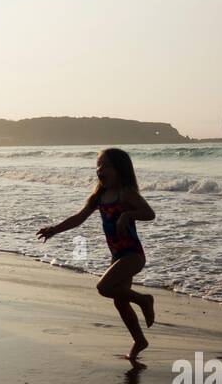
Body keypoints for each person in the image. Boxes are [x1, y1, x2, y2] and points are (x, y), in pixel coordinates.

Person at [37, 148, 157, 358]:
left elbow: (149, 214)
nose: (100, 169)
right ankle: (140, 341)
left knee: (104, 287)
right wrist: (54, 229)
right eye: (98, 165)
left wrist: (127, 215)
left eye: (107, 165)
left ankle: (144, 300)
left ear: (120, 169)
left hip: (132, 254)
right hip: (117, 255)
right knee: (120, 301)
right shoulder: (99, 196)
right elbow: (79, 217)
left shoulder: (126, 193)